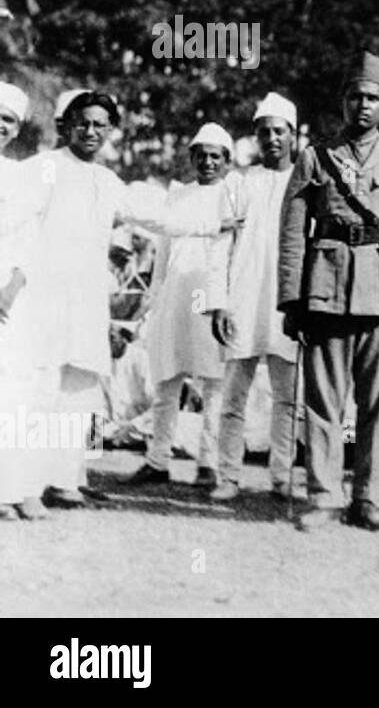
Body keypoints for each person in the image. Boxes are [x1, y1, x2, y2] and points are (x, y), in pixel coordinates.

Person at [18, 91, 234, 508]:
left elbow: (160, 217)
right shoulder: (40, 169)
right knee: (42, 389)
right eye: (83, 122)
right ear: (66, 125)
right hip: (42, 296)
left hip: (85, 298)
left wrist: (213, 222)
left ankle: (64, 481)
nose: (91, 131)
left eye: (101, 125)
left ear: (110, 131)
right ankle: (27, 488)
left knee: (80, 391)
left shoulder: (107, 181)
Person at [279, 54, 379, 532]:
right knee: (323, 403)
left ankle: (370, 500)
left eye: (372, 97)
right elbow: (292, 232)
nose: (362, 105)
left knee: (378, 406)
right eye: (354, 97)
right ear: (343, 102)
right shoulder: (315, 157)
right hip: (324, 291)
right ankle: (323, 498)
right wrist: (291, 300)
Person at [126, 123, 239, 489]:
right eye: (201, 155)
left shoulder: (234, 196)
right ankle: (158, 460)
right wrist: (155, 298)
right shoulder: (176, 195)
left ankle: (208, 465)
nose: (207, 162)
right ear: (191, 157)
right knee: (166, 380)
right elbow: (163, 251)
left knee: (213, 385)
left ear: (227, 161)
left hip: (212, 297)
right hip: (175, 295)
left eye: (215, 156)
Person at [206, 94, 299, 503]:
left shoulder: (305, 183)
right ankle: (228, 476)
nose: (272, 138)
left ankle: (282, 476)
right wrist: (219, 302)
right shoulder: (238, 183)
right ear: (256, 138)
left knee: (287, 398)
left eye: (280, 131)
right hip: (242, 300)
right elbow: (218, 245)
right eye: (265, 132)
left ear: (293, 135)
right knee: (233, 397)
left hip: (285, 303)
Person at [0, 81, 47, 520]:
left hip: (9, 294)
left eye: (8, 120)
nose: (0, 125)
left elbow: (31, 241)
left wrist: (12, 287)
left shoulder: (19, 176)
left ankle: (17, 486)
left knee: (16, 388)